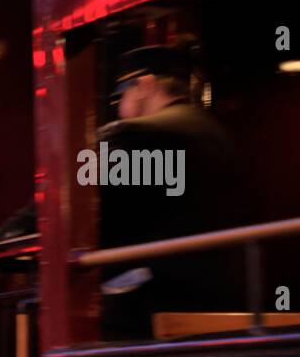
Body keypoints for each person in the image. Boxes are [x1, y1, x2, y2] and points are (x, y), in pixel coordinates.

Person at [95, 43, 243, 338]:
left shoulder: (140, 133)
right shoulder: (219, 135)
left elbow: (79, 202)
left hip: (149, 310)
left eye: (120, 96)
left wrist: (9, 232)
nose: (120, 108)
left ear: (145, 85)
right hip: (223, 301)